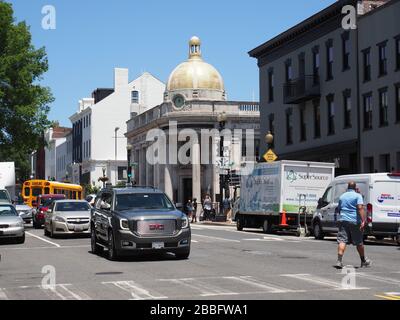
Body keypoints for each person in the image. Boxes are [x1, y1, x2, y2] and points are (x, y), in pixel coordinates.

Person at [335, 181, 372, 269]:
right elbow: (360, 208)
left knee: (342, 241)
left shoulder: (342, 196)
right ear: (355, 188)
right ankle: (363, 261)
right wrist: (363, 221)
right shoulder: (358, 196)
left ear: (348, 187)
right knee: (359, 242)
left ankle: (339, 261)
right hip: (354, 221)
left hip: (343, 220)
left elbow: (339, 209)